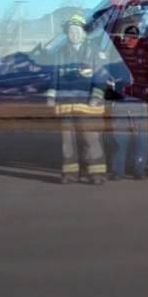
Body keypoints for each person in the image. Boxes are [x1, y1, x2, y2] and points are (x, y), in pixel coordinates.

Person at [47, 14, 108, 185]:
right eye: (71, 31)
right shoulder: (60, 53)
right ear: (67, 33)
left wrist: (96, 97)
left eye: (77, 30)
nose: (74, 34)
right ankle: (70, 174)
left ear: (84, 32)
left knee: (91, 139)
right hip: (65, 103)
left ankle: (96, 174)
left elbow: (101, 77)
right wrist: (51, 97)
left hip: (88, 104)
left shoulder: (94, 51)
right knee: (67, 141)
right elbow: (54, 77)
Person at [104, 24, 148, 181]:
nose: (131, 40)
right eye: (128, 37)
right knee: (119, 139)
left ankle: (140, 169)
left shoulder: (145, 58)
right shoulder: (115, 59)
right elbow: (108, 81)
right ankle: (118, 170)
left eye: (134, 37)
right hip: (120, 104)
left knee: (141, 140)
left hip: (139, 103)